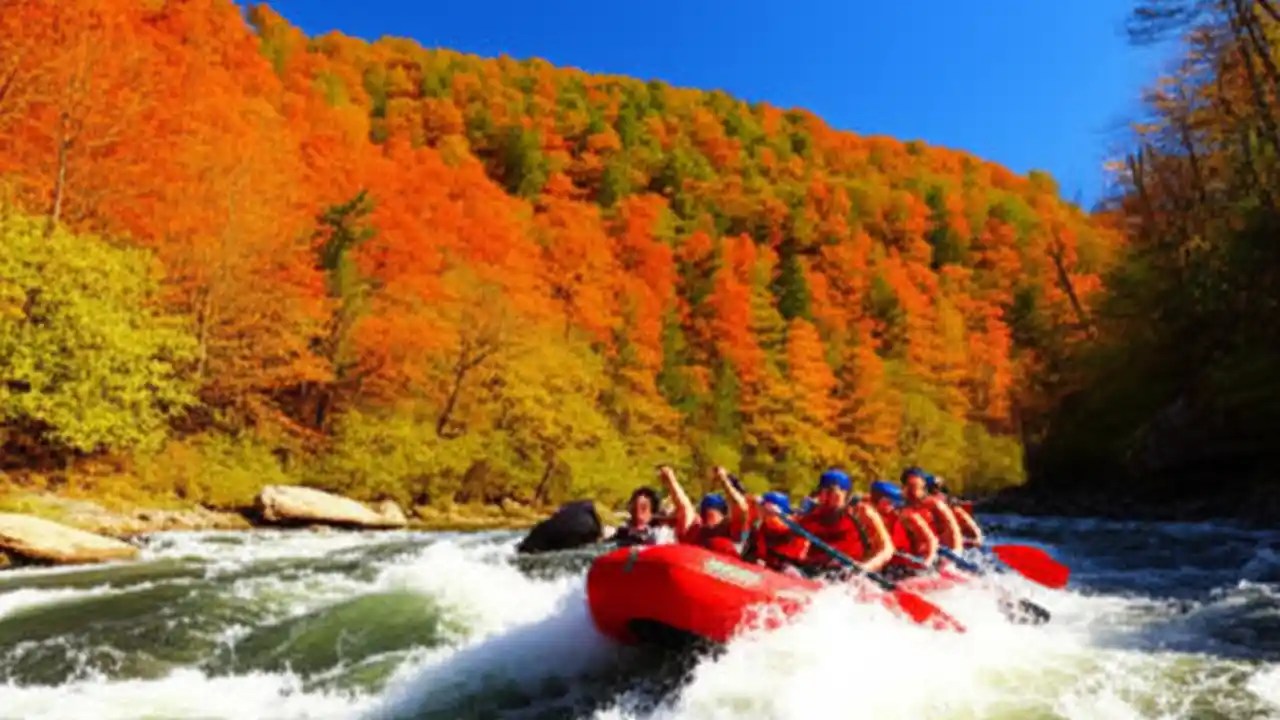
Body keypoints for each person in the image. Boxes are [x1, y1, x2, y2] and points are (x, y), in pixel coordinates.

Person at [797, 469, 895, 574]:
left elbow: (888, 549)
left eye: (832, 493)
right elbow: (789, 538)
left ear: (845, 494)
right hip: (816, 570)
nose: (826, 499)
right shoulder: (812, 513)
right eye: (823, 492)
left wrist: (866, 567)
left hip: (852, 572)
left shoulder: (861, 512)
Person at [657, 465, 736, 555]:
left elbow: (740, 507)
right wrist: (671, 480)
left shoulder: (728, 529)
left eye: (712, 514)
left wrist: (724, 480)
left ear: (722, 515)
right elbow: (685, 507)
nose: (709, 518)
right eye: (705, 513)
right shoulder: (694, 530)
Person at [870, 479, 939, 577]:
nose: (873, 504)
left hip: (908, 565)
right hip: (889, 563)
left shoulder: (907, 516)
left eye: (877, 499)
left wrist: (928, 561)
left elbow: (931, 540)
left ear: (887, 502)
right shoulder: (873, 517)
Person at [738, 491, 808, 575]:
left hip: (789, 569)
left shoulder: (790, 528)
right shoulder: (760, 525)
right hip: (765, 565)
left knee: (790, 571)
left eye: (763, 508)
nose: (760, 509)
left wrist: (777, 514)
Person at [901, 467, 964, 553]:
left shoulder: (935, 505)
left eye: (915, 486)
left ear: (923, 484)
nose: (912, 490)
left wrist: (956, 551)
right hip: (919, 553)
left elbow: (954, 529)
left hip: (944, 551)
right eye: (909, 486)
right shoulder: (902, 508)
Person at [929, 474, 984, 547]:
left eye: (937, 488)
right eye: (931, 489)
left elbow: (975, 530)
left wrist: (977, 539)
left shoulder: (955, 511)